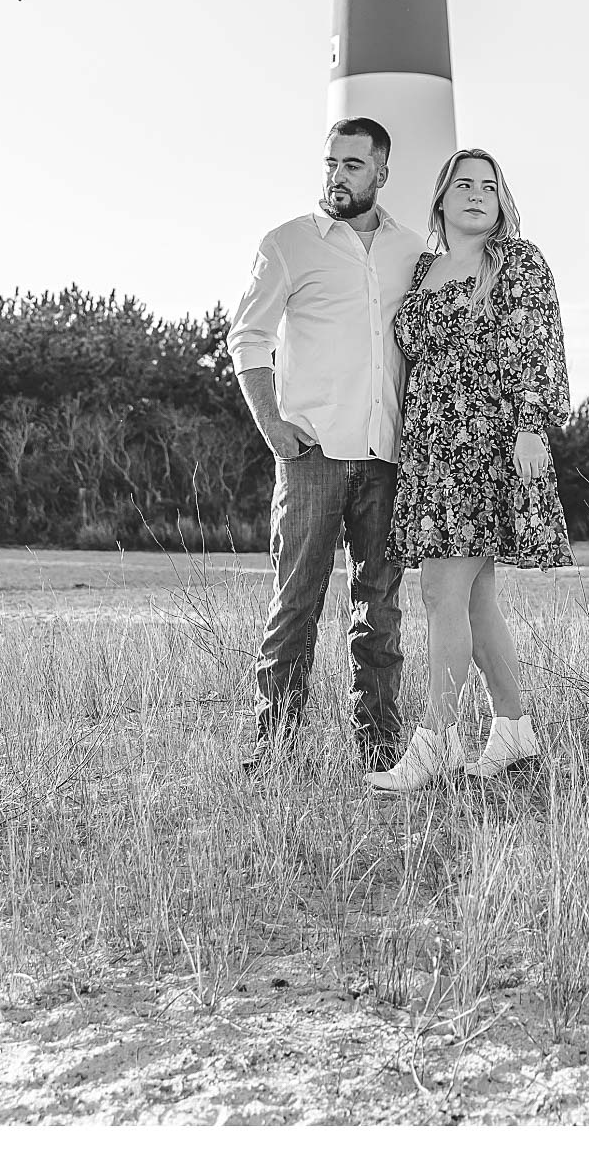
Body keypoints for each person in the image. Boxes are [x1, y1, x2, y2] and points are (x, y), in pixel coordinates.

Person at [367, 147, 574, 795]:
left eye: (490, 185)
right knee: (474, 596)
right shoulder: (424, 268)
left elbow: (541, 343)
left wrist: (532, 427)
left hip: (485, 444)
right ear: (440, 199)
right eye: (464, 184)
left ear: (502, 198)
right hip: (430, 448)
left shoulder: (514, 260)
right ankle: (513, 727)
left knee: (441, 593)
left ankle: (436, 738)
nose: (478, 194)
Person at [227, 118, 426, 772]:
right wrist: (273, 426)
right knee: (296, 604)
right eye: (330, 163)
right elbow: (247, 338)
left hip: (385, 456)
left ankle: (379, 752)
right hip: (312, 453)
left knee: (380, 614)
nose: (337, 176)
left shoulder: (409, 249)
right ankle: (275, 748)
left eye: (352, 165)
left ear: (381, 172)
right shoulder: (288, 243)